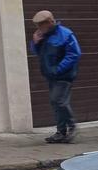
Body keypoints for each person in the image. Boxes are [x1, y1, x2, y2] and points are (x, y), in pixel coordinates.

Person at [30, 10, 82, 143]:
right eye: (37, 25)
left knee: (58, 101)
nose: (39, 28)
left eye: (41, 25)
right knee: (55, 103)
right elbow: (39, 54)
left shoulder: (65, 34)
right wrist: (35, 43)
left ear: (50, 22)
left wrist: (58, 69)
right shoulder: (44, 36)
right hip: (51, 75)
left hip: (64, 75)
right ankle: (60, 132)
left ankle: (72, 126)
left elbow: (74, 54)